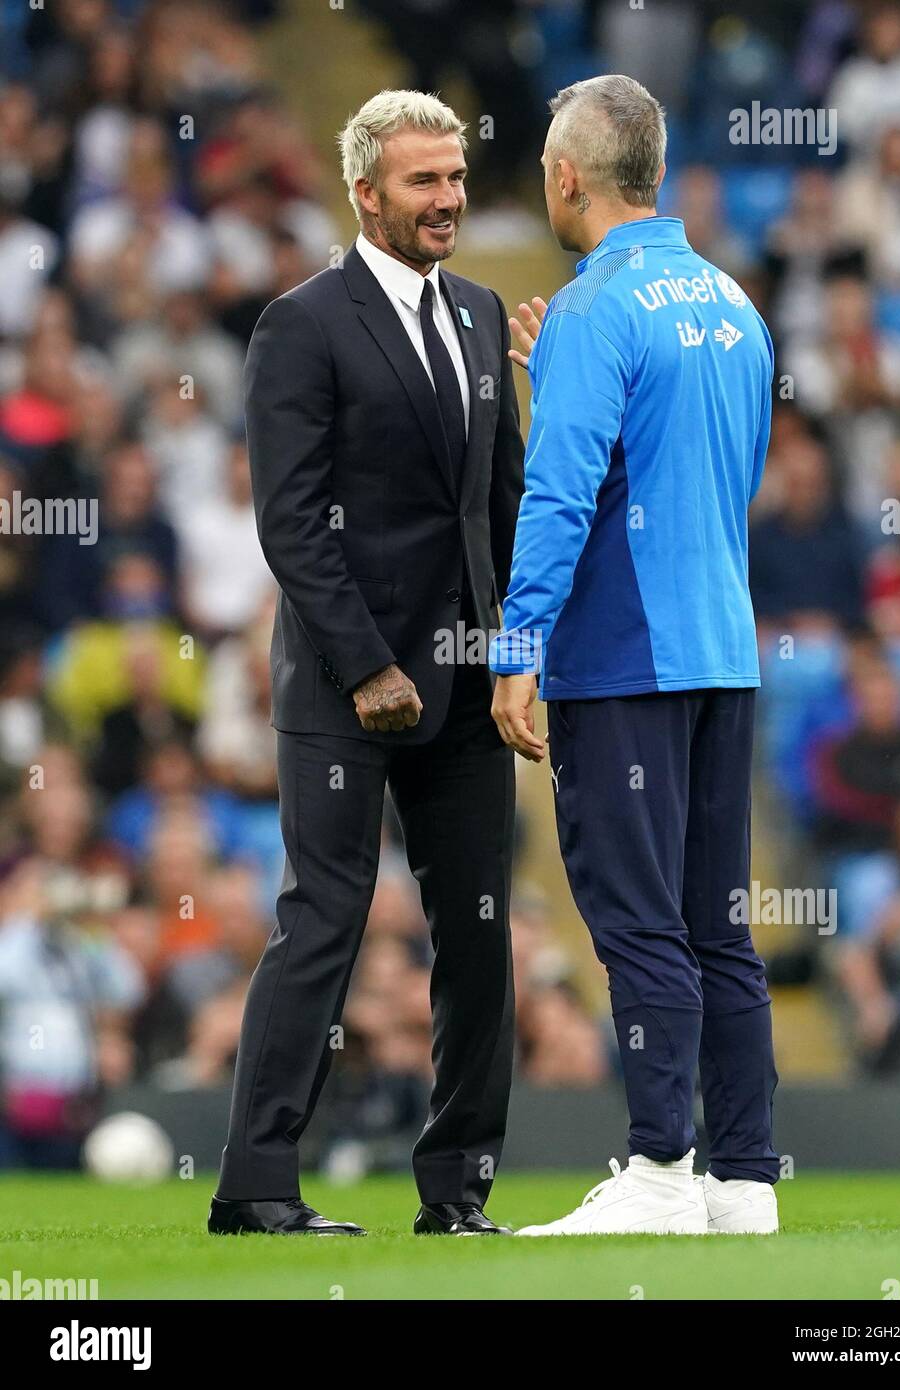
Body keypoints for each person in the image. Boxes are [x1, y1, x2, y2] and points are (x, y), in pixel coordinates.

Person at [208, 91, 524, 1238]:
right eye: (422, 182)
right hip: (349, 690)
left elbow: (504, 512)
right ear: (365, 195)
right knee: (324, 920)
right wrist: (364, 666)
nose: (447, 198)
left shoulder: (484, 316)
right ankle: (255, 1185)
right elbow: (290, 523)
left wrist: (517, 660)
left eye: (454, 178)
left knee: (480, 931)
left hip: (466, 688)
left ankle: (457, 1192)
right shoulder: (302, 322)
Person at [490, 75, 779, 1235]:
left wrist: (515, 646)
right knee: (718, 920)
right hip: (723, 646)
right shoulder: (732, 302)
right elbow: (720, 473)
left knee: (637, 920)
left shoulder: (590, 310)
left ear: (564, 175)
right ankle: (745, 1179)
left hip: (622, 660)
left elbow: (558, 494)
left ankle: (658, 1169)